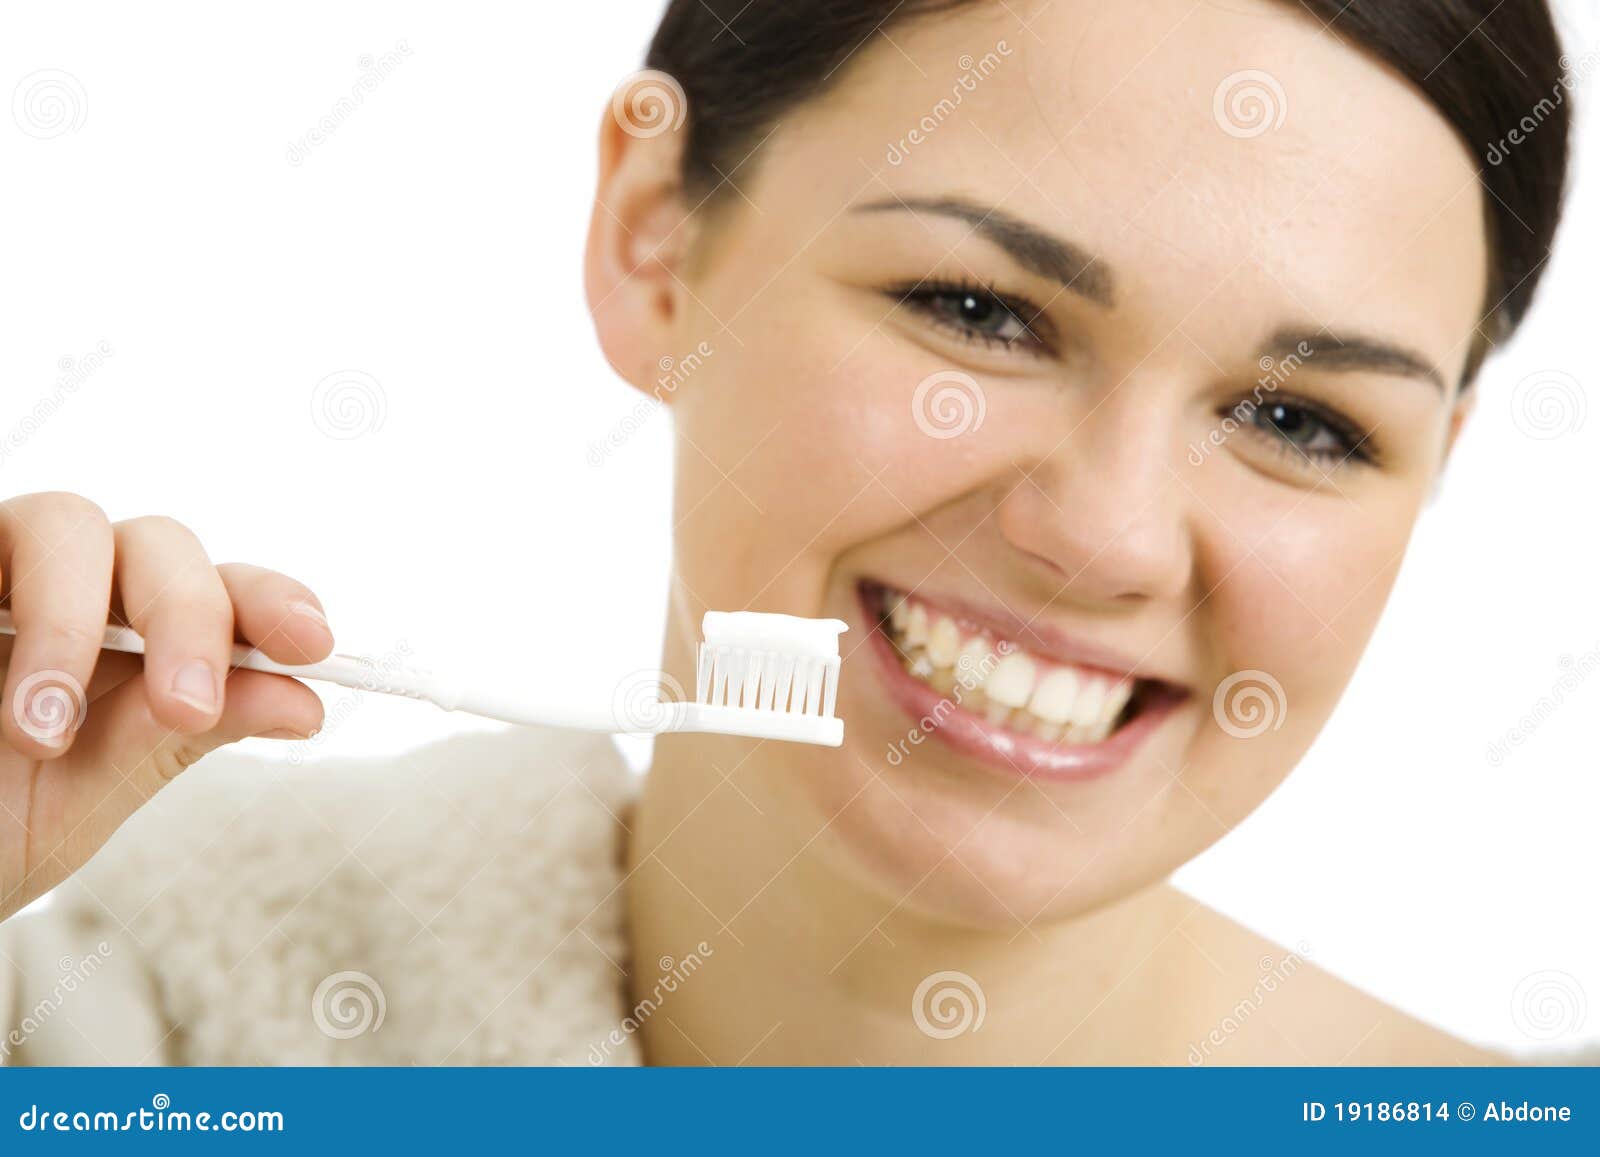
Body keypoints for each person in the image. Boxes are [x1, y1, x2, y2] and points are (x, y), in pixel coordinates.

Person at [0, 0, 1576, 1064]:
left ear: (1434, 459)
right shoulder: (117, 1037)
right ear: (655, 237)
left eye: (1303, 421)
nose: (1105, 536)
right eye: (979, 311)